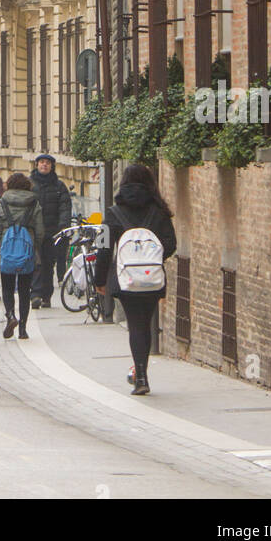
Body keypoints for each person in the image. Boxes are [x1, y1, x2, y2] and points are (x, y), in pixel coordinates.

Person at [94, 163, 176, 395]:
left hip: (125, 279)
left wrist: (100, 280)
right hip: (152, 279)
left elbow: (103, 248)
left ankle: (140, 377)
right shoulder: (159, 212)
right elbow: (171, 244)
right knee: (145, 323)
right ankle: (141, 373)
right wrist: (152, 259)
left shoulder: (113, 213)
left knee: (135, 325)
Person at [0, 172, 44, 340]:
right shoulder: (34, 202)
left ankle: (10, 316)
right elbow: (40, 230)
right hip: (27, 247)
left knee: (7, 287)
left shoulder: (2, 202)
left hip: (7, 248)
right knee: (24, 290)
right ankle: (23, 329)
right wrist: (36, 247)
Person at [29, 152, 72, 309]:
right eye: (41, 162)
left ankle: (46, 295)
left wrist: (63, 225)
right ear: (37, 165)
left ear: (52, 166)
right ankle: (35, 294)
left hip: (52, 232)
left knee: (48, 264)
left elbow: (65, 207)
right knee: (34, 263)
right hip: (33, 231)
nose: (44, 165)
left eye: (47, 162)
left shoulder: (59, 186)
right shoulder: (30, 184)